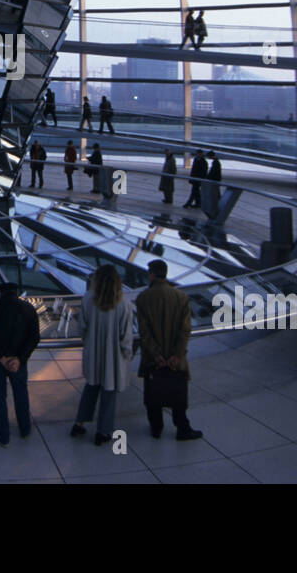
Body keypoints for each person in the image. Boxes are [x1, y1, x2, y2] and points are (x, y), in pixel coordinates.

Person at [135, 259, 203, 440]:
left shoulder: (143, 298)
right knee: (178, 393)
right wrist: (177, 354)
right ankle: (182, 427)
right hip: (176, 359)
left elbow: (144, 331)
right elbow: (185, 329)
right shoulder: (181, 297)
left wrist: (156, 354)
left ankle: (156, 428)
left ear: (152, 274)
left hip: (152, 358)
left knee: (152, 393)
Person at [70, 265, 133, 445]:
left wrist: (89, 341)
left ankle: (79, 423)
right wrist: (127, 356)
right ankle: (103, 431)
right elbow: (125, 336)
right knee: (108, 393)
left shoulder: (88, 299)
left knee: (90, 388)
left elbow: (82, 326)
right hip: (113, 358)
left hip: (93, 353)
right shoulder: (124, 305)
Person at [0, 281, 41, 447]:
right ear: (16, 292)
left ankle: (3, 436)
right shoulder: (28, 308)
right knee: (21, 394)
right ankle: (25, 429)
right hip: (18, 363)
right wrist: (19, 359)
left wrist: (1, 357)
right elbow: (34, 338)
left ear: (1, 292)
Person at [202, 151, 223, 218]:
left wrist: (208, 177)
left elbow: (214, 173)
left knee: (216, 194)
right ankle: (219, 205)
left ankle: (218, 206)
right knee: (216, 193)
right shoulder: (216, 162)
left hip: (214, 181)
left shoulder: (216, 163)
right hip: (215, 181)